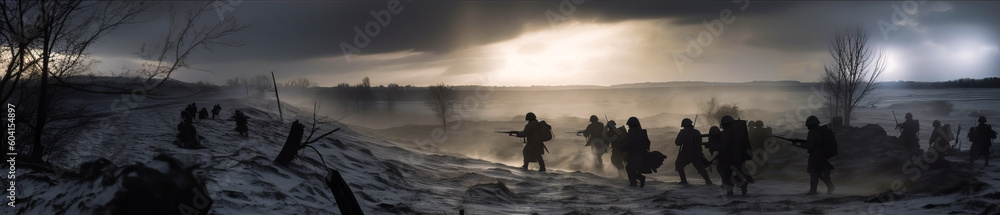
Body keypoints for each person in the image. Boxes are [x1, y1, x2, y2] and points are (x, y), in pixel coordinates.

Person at [786, 116, 838, 195]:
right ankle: (825, 187)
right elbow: (813, 143)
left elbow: (809, 145)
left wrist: (796, 145)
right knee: (818, 174)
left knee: (815, 174)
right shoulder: (819, 132)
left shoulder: (813, 133)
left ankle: (816, 190)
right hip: (821, 156)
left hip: (815, 157)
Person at [717, 115, 752, 196]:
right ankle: (743, 187)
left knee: (727, 174)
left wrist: (715, 147)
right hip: (739, 157)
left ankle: (730, 191)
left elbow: (723, 146)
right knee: (737, 174)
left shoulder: (726, 132)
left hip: (729, 158)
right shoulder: (738, 133)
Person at [675, 118, 713, 185]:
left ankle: (683, 181)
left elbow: (677, 143)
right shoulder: (697, 132)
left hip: (686, 153)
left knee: (679, 165)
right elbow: (699, 143)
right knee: (701, 169)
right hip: (696, 153)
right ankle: (708, 181)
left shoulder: (682, 132)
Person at [623, 117, 650, 187]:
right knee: (635, 169)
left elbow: (627, 143)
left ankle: (634, 183)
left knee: (629, 169)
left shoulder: (632, 133)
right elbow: (648, 143)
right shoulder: (643, 133)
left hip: (634, 155)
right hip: (642, 154)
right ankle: (639, 181)